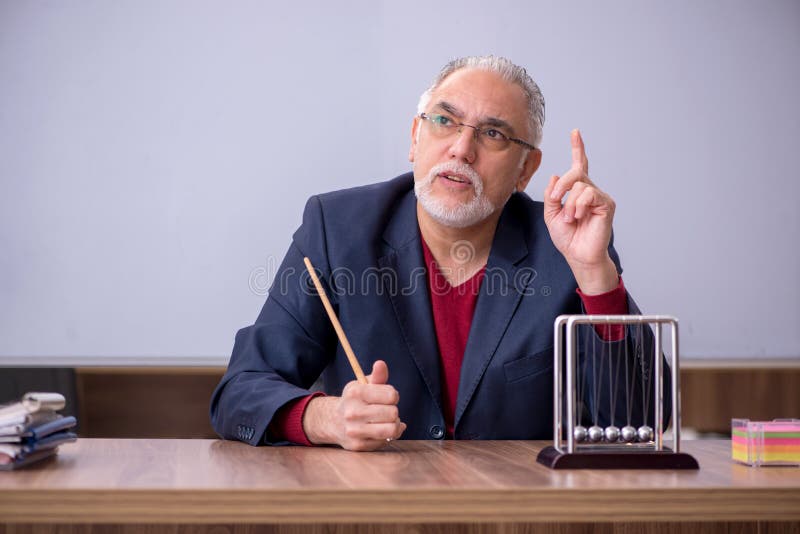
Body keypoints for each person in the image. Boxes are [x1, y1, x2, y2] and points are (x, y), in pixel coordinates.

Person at [210, 55, 668, 451]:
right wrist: (325, 418)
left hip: (519, 514)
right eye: (445, 121)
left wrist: (595, 275)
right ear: (415, 138)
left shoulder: (566, 248)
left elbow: (640, 424)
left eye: (492, 134)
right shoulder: (337, 228)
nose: (461, 149)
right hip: (375, 509)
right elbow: (240, 392)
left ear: (525, 169)